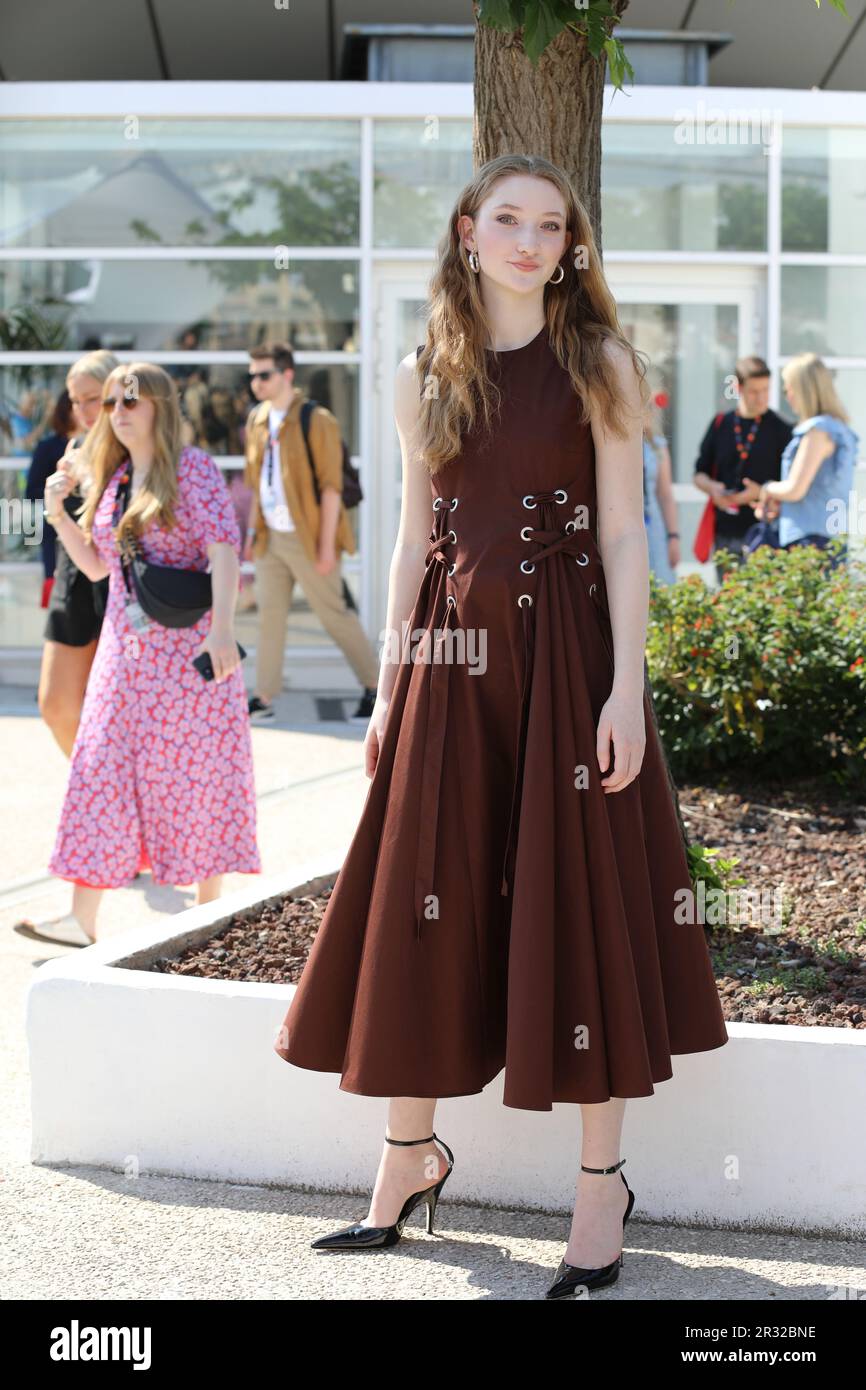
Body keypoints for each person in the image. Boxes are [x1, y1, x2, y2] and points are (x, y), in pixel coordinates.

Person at [271, 154, 728, 1298]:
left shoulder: (599, 359)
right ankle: (405, 1160)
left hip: (564, 662)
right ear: (470, 233)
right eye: (506, 219)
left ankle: (597, 1188)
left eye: (550, 224)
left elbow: (624, 535)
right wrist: (386, 686)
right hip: (444, 665)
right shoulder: (427, 363)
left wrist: (626, 689)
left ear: (570, 246)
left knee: (578, 908)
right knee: (422, 910)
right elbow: (415, 528)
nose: (527, 240)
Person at [13, 362, 260, 948]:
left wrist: (222, 632)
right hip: (124, 662)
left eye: (132, 402)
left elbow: (224, 551)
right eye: (111, 405)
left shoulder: (191, 469)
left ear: (159, 408)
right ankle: (82, 918)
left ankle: (205, 913)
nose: (119, 413)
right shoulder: (116, 475)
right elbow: (98, 566)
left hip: (189, 658)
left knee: (195, 780)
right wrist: (56, 515)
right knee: (96, 771)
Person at [242, 342, 380, 725]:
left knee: (334, 614)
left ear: (287, 374)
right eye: (252, 375)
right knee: (270, 617)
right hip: (272, 538)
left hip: (309, 537)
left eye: (264, 375)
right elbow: (257, 484)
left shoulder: (316, 420)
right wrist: (252, 536)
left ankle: (375, 688)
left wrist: (324, 549)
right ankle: (264, 696)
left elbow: (332, 487)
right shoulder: (257, 420)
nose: (256, 382)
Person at [28, 352, 117, 758]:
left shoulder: (139, 446)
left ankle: (105, 796)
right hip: (73, 581)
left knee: (112, 710)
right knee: (56, 703)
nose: (82, 410)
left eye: (92, 398)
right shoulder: (72, 446)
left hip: (121, 589)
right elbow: (36, 514)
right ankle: (92, 784)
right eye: (74, 400)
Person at [748, 353, 859, 563]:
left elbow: (795, 489)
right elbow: (815, 490)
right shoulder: (838, 429)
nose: (787, 396)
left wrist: (766, 489)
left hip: (811, 543)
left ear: (803, 390)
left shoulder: (818, 431)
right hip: (827, 538)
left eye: (788, 388)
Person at [693, 357, 792, 585]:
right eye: (754, 391)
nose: (761, 397)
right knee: (729, 601)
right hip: (725, 532)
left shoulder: (782, 429)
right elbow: (699, 473)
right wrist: (713, 488)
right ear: (738, 388)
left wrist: (759, 493)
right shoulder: (721, 424)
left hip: (764, 532)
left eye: (766, 390)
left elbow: (792, 485)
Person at [24, 387, 77, 606]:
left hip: (90, 535)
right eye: (77, 404)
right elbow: (32, 492)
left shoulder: (103, 448)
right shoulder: (49, 447)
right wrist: (58, 495)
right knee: (60, 606)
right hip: (56, 535)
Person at [641, 401, 679, 584]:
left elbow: (665, 495)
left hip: (654, 526)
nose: (650, 413)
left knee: (661, 582)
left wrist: (673, 536)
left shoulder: (657, 446)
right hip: (627, 522)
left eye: (650, 407)